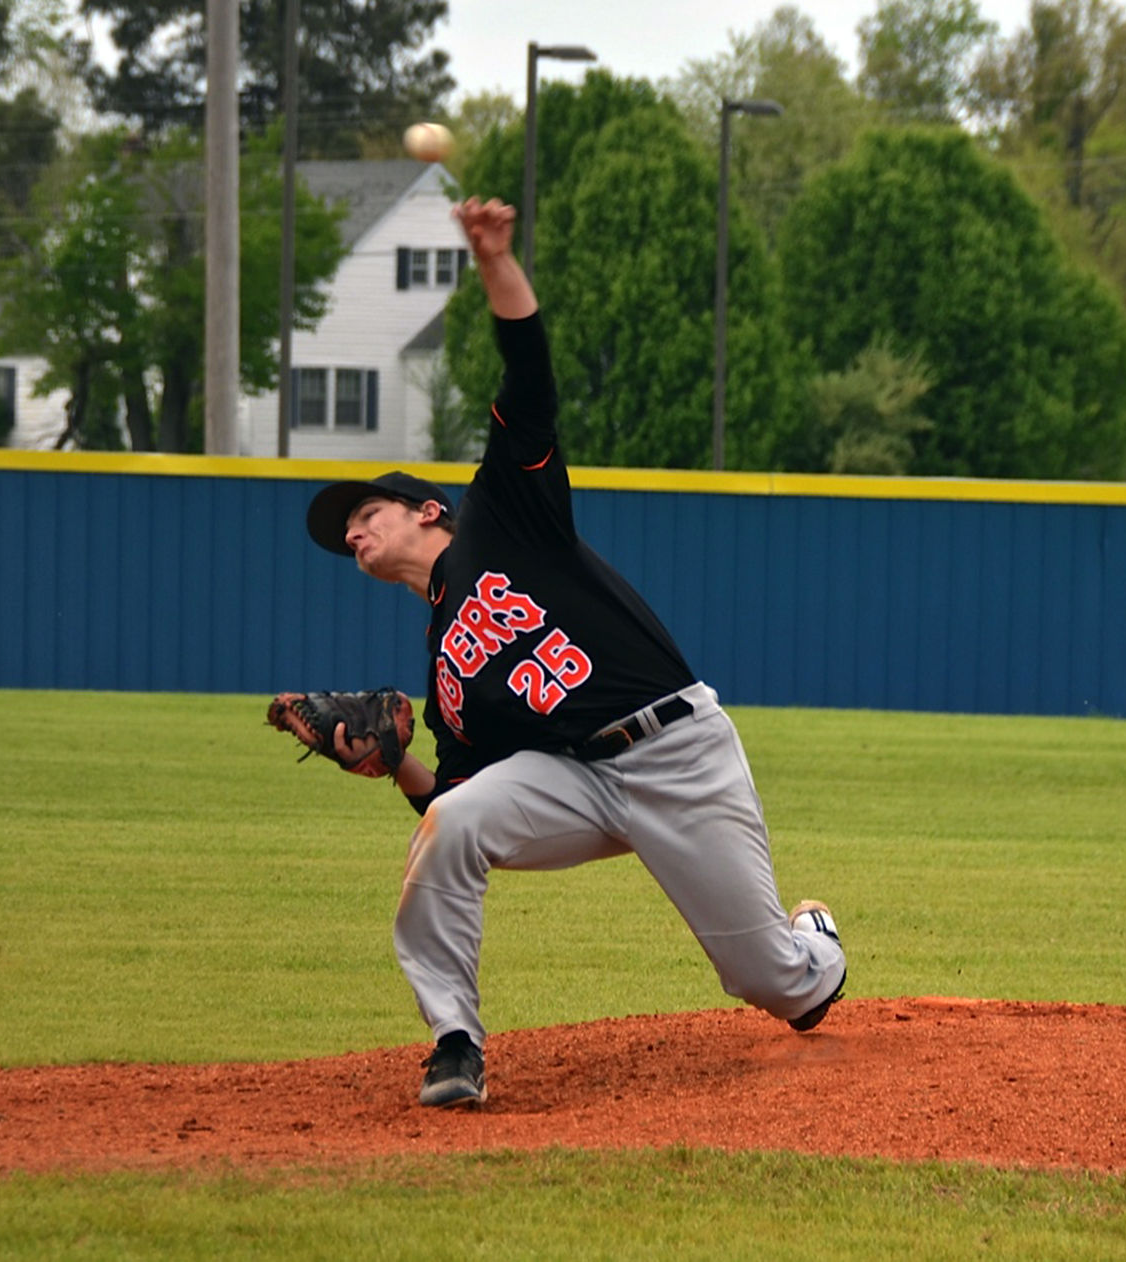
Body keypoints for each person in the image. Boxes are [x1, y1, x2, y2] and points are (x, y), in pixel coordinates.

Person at [304, 196, 847, 1108]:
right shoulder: (447, 670)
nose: (354, 533)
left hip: (677, 750)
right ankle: (455, 1045)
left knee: (778, 986)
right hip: (579, 784)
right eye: (345, 533)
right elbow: (460, 802)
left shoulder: (502, 517)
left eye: (368, 512)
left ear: (427, 510)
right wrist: (398, 762)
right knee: (455, 826)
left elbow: (529, 374)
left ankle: (817, 944)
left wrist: (492, 262)